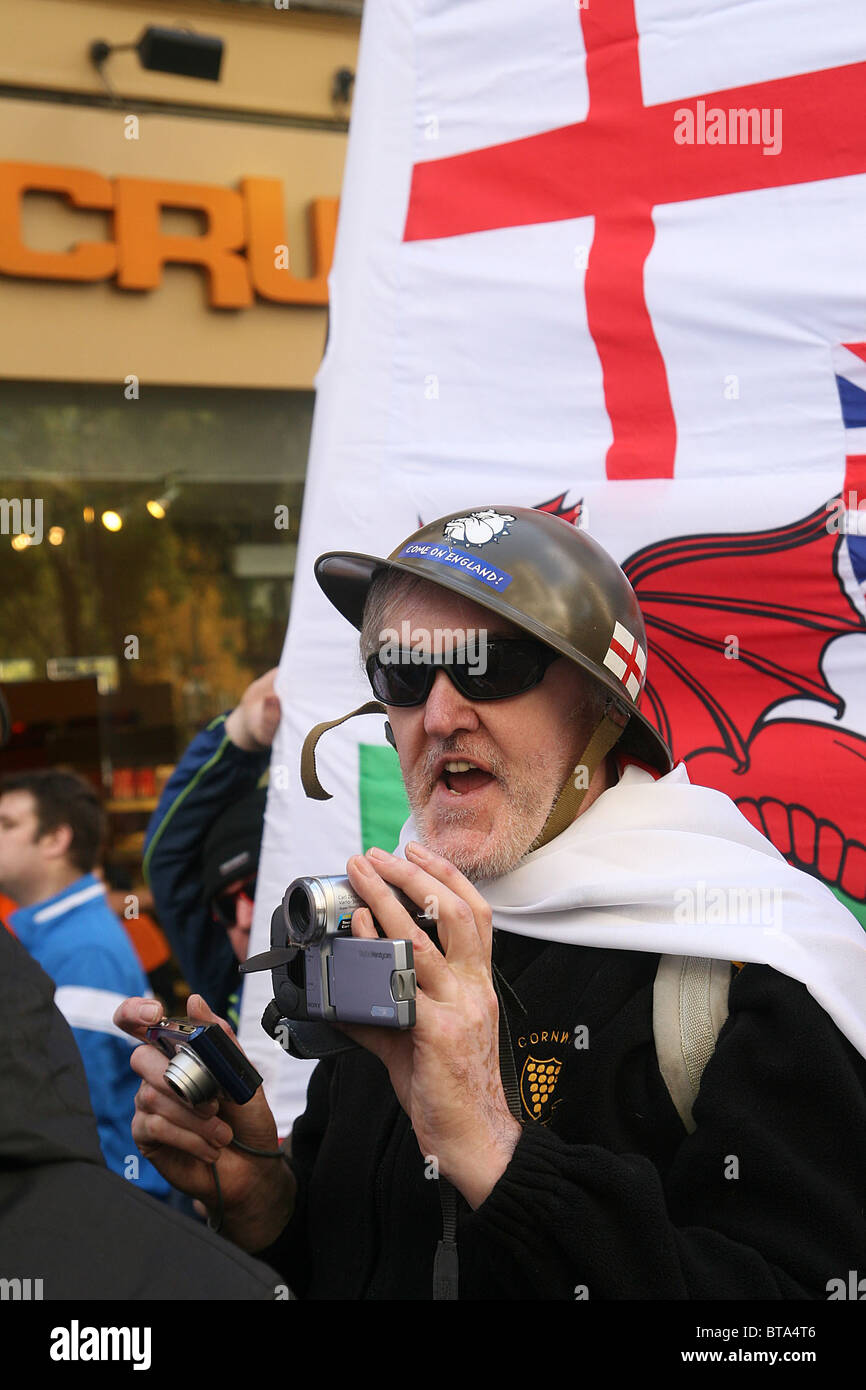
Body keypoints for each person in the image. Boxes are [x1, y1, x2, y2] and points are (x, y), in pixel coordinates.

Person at [115, 505, 866, 1300]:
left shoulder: (753, 967)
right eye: (404, 674)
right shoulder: (392, 931)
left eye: (491, 669)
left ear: (604, 705)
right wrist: (266, 1205)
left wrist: (495, 1150)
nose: (438, 716)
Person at [0, 768, 171, 1200]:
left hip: (102, 1199)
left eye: (7, 824)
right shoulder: (65, 936)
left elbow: (63, 1106)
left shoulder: (82, 951)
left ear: (56, 839)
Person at [142, 671, 279, 1025]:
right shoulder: (223, 979)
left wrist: (240, 745)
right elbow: (167, 860)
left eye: (255, 890)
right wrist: (241, 733)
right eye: (227, 906)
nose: (245, 919)